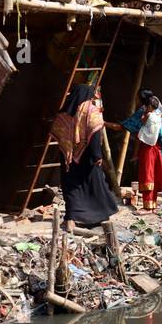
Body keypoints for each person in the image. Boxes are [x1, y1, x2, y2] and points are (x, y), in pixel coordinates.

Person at [50, 83, 119, 227]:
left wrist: (69, 147)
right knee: (94, 184)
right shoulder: (92, 111)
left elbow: (59, 132)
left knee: (71, 186)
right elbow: (94, 135)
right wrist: (97, 156)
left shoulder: (64, 113)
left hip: (68, 157)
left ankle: (72, 217)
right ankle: (97, 215)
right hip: (87, 156)